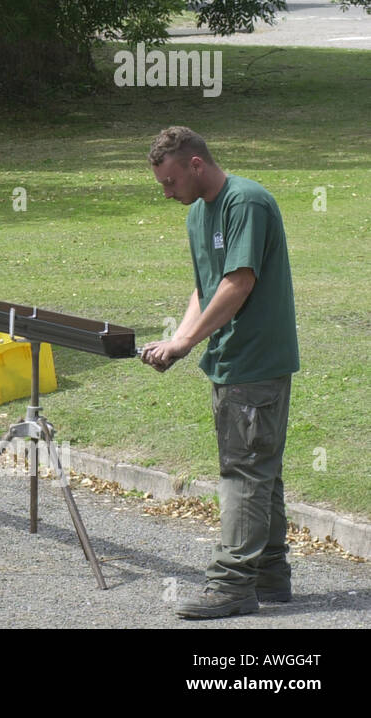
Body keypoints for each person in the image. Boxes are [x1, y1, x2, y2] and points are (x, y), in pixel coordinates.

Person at [141, 127, 299, 619]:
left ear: (194, 164)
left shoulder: (245, 202)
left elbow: (239, 281)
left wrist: (186, 341)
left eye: (170, 182)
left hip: (256, 361)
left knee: (244, 472)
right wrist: (178, 342)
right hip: (231, 359)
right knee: (260, 473)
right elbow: (206, 287)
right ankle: (270, 574)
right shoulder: (197, 213)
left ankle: (232, 584)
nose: (167, 194)